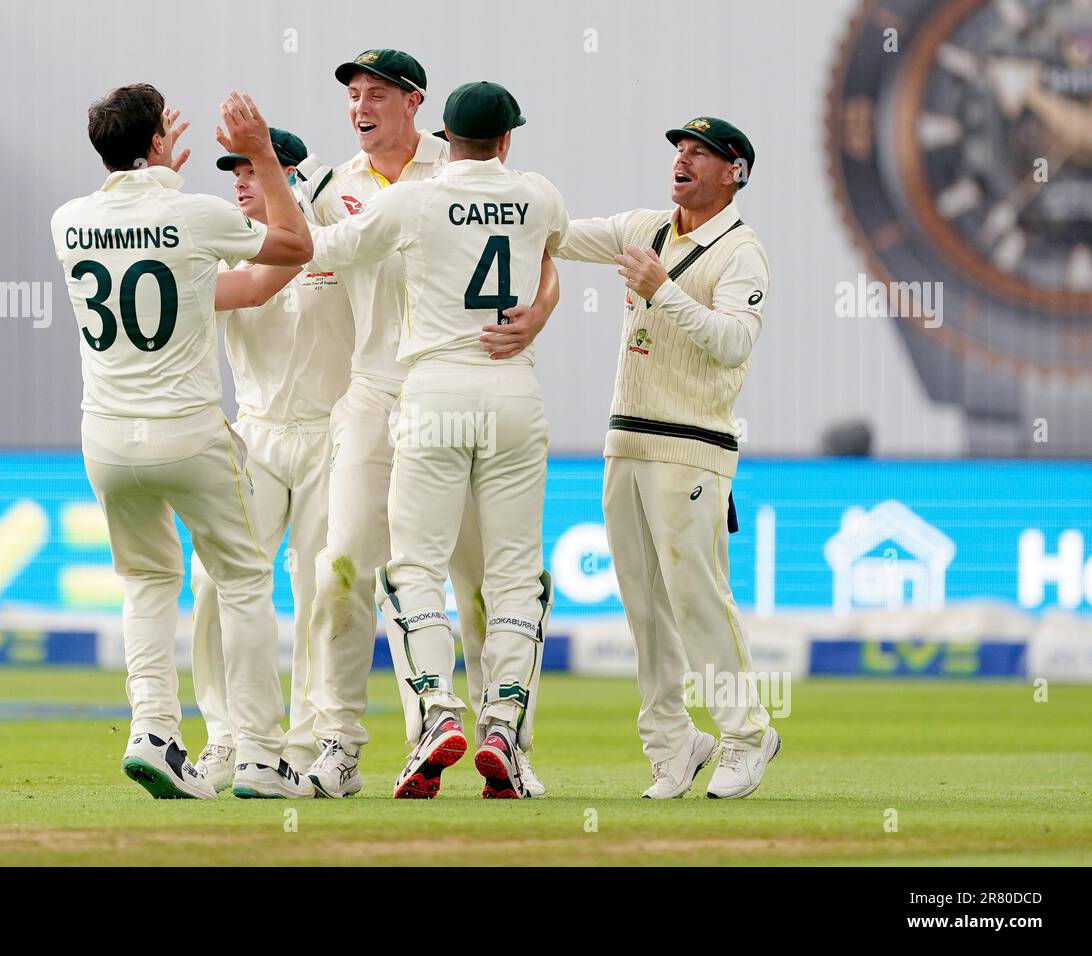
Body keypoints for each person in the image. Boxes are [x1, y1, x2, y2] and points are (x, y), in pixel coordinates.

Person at [50, 85, 311, 799]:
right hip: (187, 433)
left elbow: (171, 265)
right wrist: (259, 154)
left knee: (145, 582)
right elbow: (296, 246)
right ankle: (259, 755)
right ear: (160, 142)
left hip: (105, 439)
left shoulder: (68, 220)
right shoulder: (197, 214)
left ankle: (154, 733)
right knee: (244, 579)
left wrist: (159, 176)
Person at [308, 80, 567, 799]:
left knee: (413, 567)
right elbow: (552, 255)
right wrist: (538, 310)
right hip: (514, 392)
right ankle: (503, 731)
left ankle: (436, 716)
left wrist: (272, 185)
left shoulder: (412, 201)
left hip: (433, 392)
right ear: (507, 140)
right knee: (514, 578)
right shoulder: (538, 194)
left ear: (443, 137)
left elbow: (320, 246)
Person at [554, 116, 779, 799]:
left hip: (693, 447)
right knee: (644, 607)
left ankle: (746, 734)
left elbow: (734, 343)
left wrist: (662, 290)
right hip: (626, 440)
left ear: (733, 172)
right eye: (680, 149)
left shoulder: (742, 252)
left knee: (696, 598)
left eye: (700, 153)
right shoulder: (646, 226)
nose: (683, 159)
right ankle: (673, 743)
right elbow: (558, 233)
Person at [188, 127, 355, 796]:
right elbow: (231, 294)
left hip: (329, 431)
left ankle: (309, 744)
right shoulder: (223, 248)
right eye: (235, 171)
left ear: (289, 176)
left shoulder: (336, 240)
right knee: (214, 585)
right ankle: (228, 737)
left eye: (255, 170)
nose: (240, 181)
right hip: (255, 435)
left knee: (324, 590)